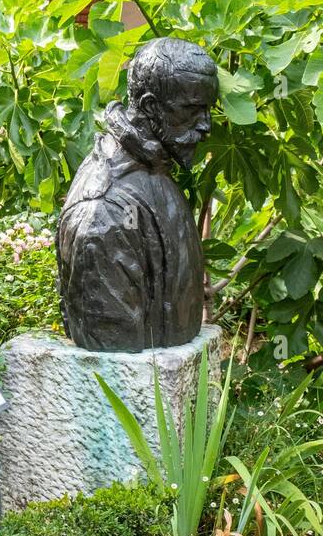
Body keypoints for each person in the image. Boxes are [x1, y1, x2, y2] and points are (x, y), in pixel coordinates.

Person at [56, 37, 218, 352]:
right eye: (192, 110)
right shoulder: (105, 210)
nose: (206, 126)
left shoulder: (156, 168)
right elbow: (111, 346)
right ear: (150, 107)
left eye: (208, 109)